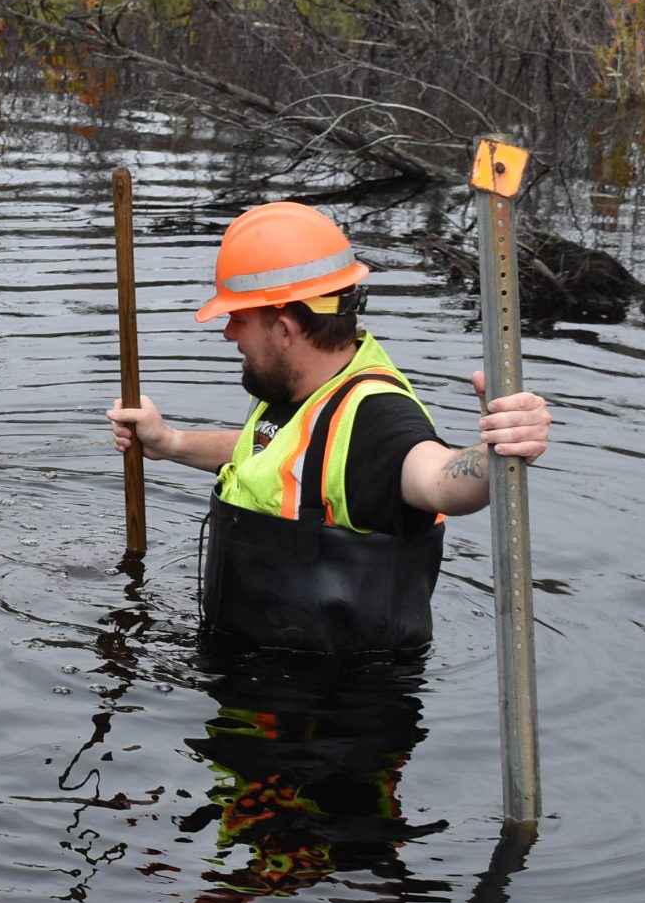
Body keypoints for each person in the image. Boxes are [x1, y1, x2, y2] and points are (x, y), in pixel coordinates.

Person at [106, 200, 552, 653]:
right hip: (256, 676)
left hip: (331, 706)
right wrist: (169, 442)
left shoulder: (376, 421)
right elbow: (280, 454)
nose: (228, 334)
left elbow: (438, 481)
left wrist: (500, 449)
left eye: (237, 319)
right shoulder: (300, 390)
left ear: (284, 330)